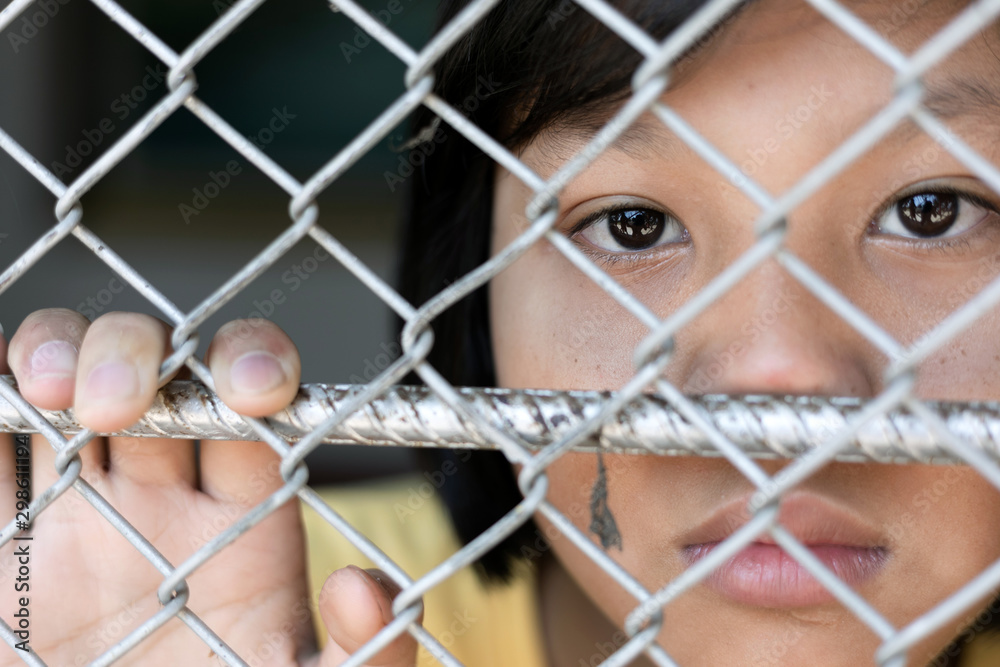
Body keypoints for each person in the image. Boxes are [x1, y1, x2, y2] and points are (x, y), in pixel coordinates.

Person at [2, 0, 1000, 665]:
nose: (777, 386)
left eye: (932, 212)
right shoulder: (222, 597)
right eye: (632, 226)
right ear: (469, 285)